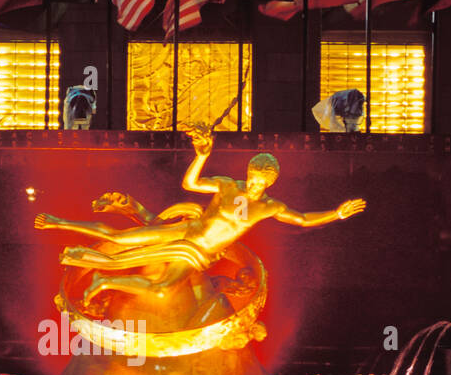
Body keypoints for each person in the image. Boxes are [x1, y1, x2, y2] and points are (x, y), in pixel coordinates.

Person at [35, 124, 365, 306]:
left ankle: (104, 280)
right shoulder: (226, 185)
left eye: (261, 183)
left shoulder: (270, 206)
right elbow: (190, 182)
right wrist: (202, 155)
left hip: (197, 252)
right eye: (252, 179)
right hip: (187, 230)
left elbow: (303, 218)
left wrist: (336, 214)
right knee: (118, 238)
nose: (253, 186)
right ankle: (60, 222)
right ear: (247, 173)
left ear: (271, 182)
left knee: (163, 289)